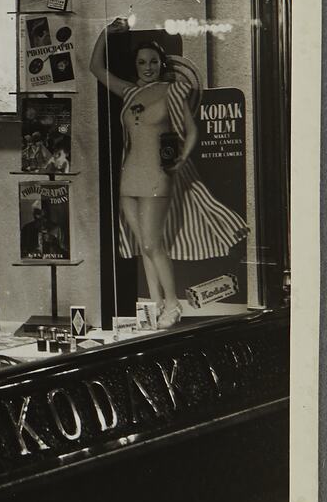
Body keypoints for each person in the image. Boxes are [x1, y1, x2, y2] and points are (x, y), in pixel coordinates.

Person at [91, 19, 247, 329]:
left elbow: (191, 131)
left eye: (152, 61)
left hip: (157, 177)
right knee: (142, 245)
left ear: (162, 63)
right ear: (135, 66)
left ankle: (173, 303)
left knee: (152, 243)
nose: (147, 67)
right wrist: (105, 32)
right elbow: (96, 67)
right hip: (129, 177)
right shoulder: (130, 92)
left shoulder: (172, 91)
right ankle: (156, 304)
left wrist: (179, 162)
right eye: (141, 62)